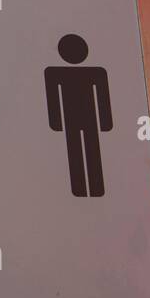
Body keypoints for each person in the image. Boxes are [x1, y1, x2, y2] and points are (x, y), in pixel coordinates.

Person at [44, 33, 112, 197]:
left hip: (82, 120)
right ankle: (83, 188)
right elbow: (53, 99)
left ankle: (93, 187)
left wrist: (105, 123)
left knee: (89, 150)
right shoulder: (54, 73)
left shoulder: (96, 72)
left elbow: (102, 98)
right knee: (78, 151)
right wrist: (56, 123)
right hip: (76, 120)